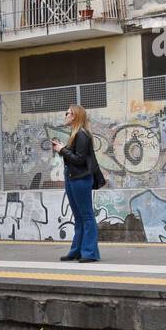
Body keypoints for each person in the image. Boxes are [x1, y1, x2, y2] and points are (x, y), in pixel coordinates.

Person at [51, 104, 100, 263]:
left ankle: (89, 252)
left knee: (86, 216)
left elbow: (79, 160)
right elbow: (75, 157)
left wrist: (62, 150)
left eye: (68, 113)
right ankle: (76, 251)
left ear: (75, 116)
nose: (65, 115)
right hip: (73, 177)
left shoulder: (82, 135)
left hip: (81, 178)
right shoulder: (75, 134)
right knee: (78, 217)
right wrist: (63, 149)